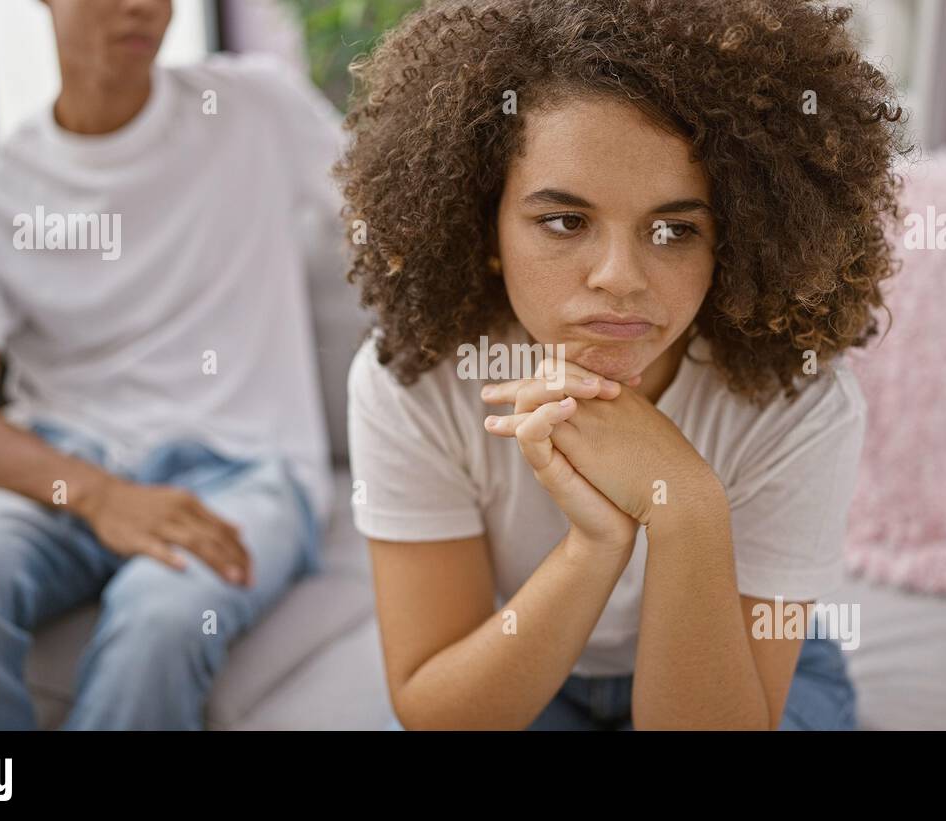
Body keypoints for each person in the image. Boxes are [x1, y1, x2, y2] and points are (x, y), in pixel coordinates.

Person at [340, 0, 906, 729]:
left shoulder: (798, 402)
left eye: (673, 229)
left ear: (734, 240)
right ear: (486, 228)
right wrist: (597, 544)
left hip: (738, 663)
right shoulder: (415, 383)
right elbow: (436, 709)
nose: (619, 277)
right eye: (565, 221)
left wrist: (687, 506)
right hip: (530, 656)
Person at [0, 0, 344, 730]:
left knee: (163, 617)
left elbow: (402, 221)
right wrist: (99, 495)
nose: (143, 6)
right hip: (67, 468)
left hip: (246, 469)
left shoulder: (257, 109)